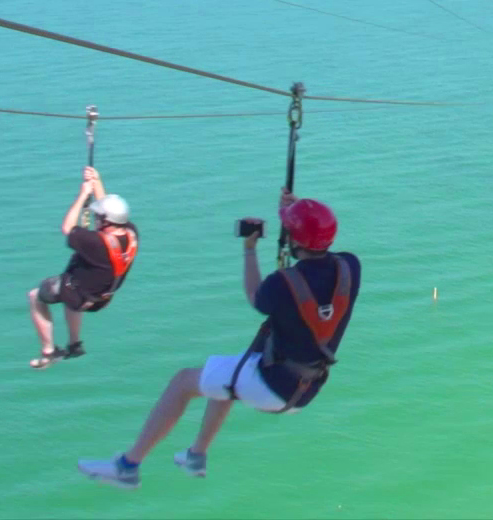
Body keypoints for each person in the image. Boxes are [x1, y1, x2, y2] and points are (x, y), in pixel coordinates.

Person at [78, 193, 359, 487]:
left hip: (273, 387)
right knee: (224, 375)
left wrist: (249, 250)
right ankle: (196, 456)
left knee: (182, 382)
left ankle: (127, 467)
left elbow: (256, 296)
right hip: (307, 388)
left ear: (294, 238)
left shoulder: (282, 283)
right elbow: (313, 265)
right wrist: (296, 215)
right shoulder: (351, 267)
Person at [29, 165, 135, 369]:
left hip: (79, 295)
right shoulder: (131, 234)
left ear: (106, 222)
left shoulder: (95, 243)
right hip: (101, 298)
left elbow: (67, 228)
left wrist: (83, 195)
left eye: (98, 217)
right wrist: (97, 181)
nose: (96, 219)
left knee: (35, 297)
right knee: (73, 291)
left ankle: (49, 351)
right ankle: (74, 343)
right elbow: (107, 212)